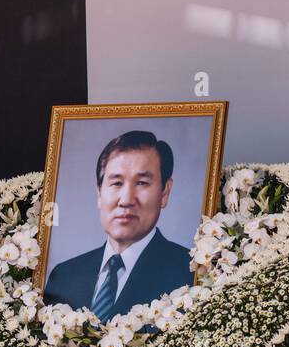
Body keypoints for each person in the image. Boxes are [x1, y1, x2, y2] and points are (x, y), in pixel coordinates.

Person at [43, 130, 193, 320]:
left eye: (141, 183)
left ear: (164, 192)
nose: (126, 200)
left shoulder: (190, 274)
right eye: (116, 183)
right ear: (99, 193)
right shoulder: (64, 276)